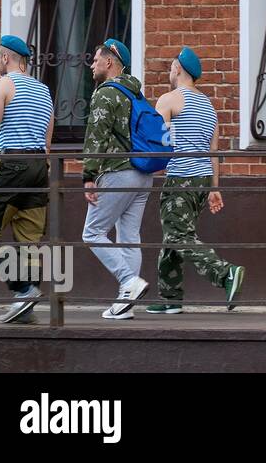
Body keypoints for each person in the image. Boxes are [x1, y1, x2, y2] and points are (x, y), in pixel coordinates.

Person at [145, 47, 244, 314]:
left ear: (178, 69)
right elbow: (213, 152)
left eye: (170, 67)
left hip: (180, 178)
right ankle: (170, 298)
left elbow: (158, 143)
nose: (169, 72)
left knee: (178, 236)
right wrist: (214, 188)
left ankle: (225, 273)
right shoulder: (209, 107)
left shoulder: (169, 99)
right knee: (172, 238)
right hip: (201, 181)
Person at [0, 36, 54, 324]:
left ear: (6, 58)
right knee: (29, 241)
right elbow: (47, 140)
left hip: (12, 163)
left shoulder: (2, 85)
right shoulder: (44, 91)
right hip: (39, 168)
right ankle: (25, 305)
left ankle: (23, 289)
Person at [81, 38, 152, 320]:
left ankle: (128, 281)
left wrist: (89, 175)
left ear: (109, 62)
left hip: (117, 172)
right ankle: (125, 302)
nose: (92, 64)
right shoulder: (136, 93)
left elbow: (96, 137)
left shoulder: (105, 93)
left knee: (92, 232)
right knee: (129, 237)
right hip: (143, 173)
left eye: (96, 60)